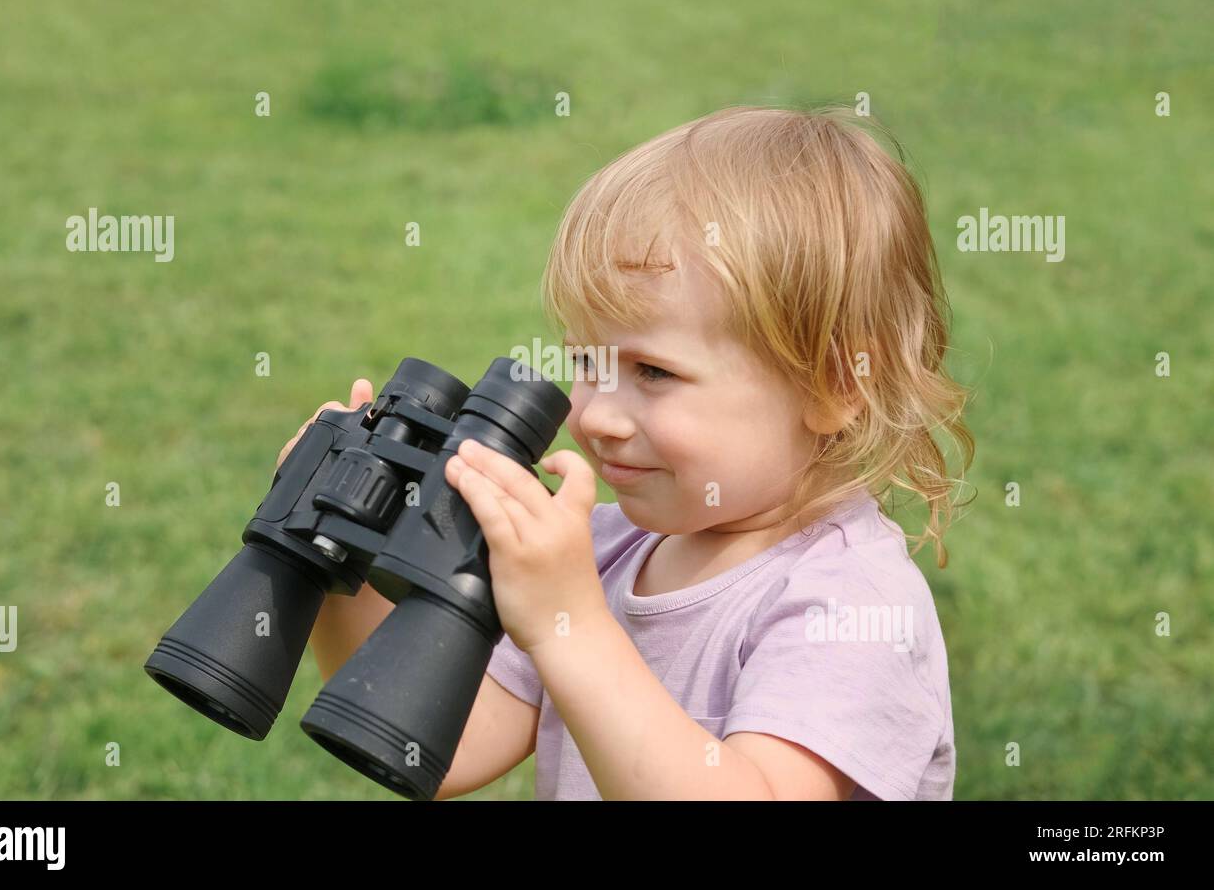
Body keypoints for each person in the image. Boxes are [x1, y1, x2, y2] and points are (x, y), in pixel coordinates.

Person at [284, 105, 974, 800]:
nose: (596, 415)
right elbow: (452, 745)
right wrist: (338, 558)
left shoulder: (851, 604)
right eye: (587, 360)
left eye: (654, 372)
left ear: (834, 384)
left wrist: (574, 627)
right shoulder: (602, 552)